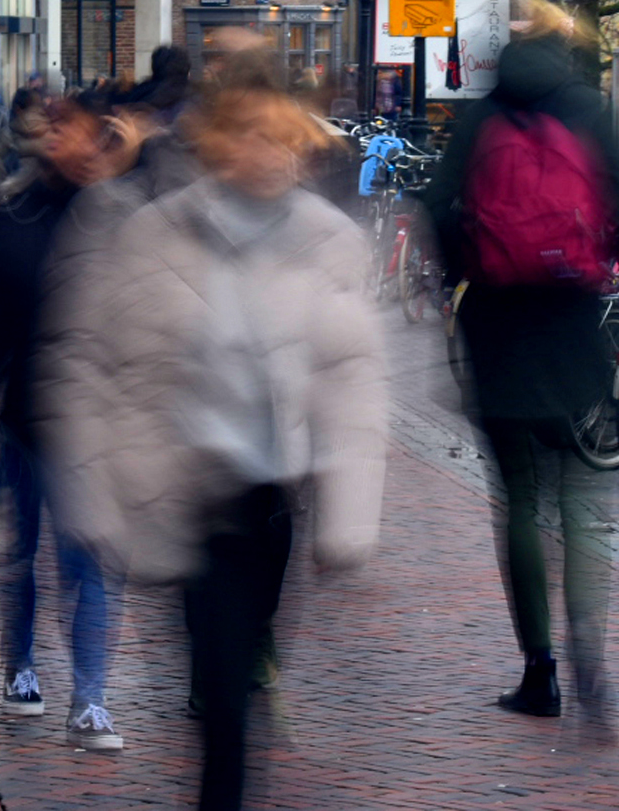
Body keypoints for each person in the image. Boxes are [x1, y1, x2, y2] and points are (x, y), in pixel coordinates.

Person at [38, 50, 387, 810]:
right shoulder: (157, 234)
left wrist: (351, 517)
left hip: (273, 500)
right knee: (224, 697)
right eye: (256, 135)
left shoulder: (328, 241)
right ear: (220, 142)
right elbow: (92, 361)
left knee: (241, 678)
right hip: (188, 494)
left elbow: (353, 380)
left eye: (287, 137)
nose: (275, 152)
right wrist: (99, 492)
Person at [424, 0, 619, 723]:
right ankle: (592, 655)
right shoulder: (589, 107)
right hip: (574, 320)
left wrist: (471, 265)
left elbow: (436, 203)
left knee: (520, 499)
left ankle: (539, 669)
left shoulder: (482, 115)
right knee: (580, 498)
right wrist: (609, 253)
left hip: (497, 325)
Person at [0, 89, 128, 750]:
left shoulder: (119, 217)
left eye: (79, 132)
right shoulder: (15, 211)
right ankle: (20, 664)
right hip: (24, 416)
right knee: (22, 552)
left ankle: (90, 698)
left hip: (98, 421)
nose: (67, 144)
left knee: (91, 560)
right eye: (57, 132)